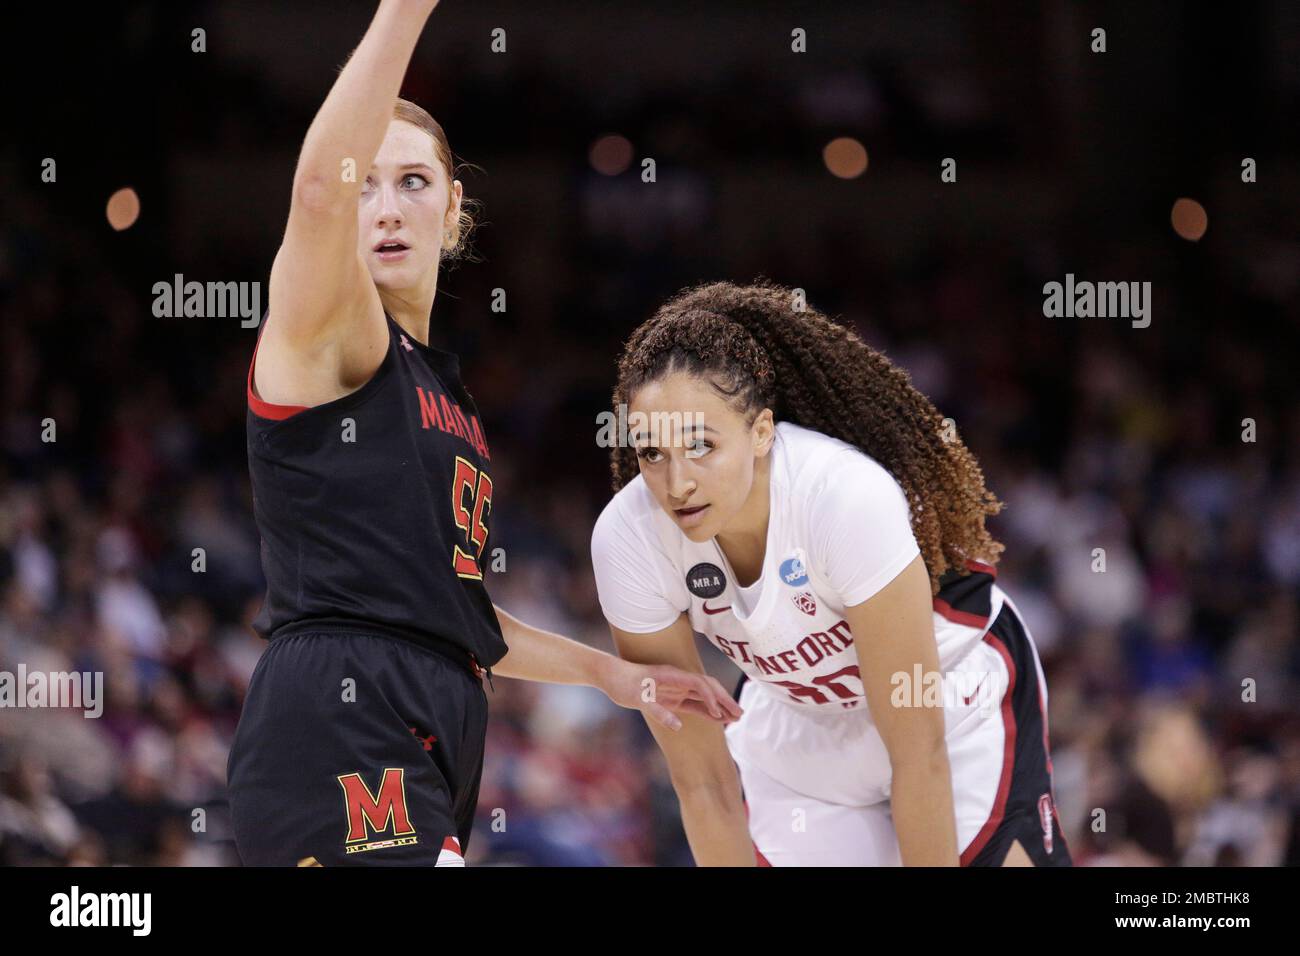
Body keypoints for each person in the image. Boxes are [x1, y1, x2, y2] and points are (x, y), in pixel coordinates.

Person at [227, 0, 738, 868]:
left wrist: (609, 676)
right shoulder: (329, 333)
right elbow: (316, 190)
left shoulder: (445, 391)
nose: (385, 208)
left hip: (437, 716)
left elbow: (457, 614)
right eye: (367, 185)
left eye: (413, 183)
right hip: (344, 712)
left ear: (453, 207)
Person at [590, 279, 1071, 866]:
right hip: (803, 732)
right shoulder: (629, 541)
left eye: (700, 446)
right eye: (652, 453)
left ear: (762, 431)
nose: (677, 482)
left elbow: (919, 753)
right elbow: (704, 785)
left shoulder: (841, 497)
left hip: (951, 698)